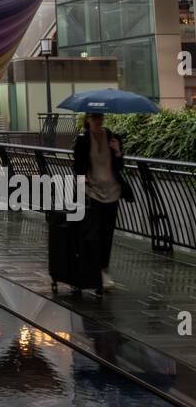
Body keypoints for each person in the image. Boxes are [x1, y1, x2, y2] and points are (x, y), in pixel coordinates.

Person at [73, 113, 126, 291]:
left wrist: (118, 151)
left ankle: (103, 269)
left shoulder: (112, 137)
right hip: (92, 193)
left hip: (112, 192)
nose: (98, 120)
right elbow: (78, 168)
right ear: (87, 120)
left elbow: (119, 166)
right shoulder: (82, 141)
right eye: (94, 117)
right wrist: (82, 187)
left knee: (107, 233)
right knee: (93, 233)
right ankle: (95, 271)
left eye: (100, 117)